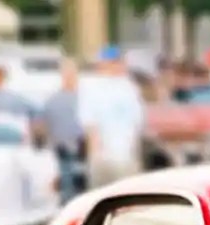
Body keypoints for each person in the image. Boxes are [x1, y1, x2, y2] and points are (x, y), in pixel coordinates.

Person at [79, 46, 145, 188]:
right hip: (104, 157)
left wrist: (134, 153)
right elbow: (90, 125)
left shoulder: (129, 88)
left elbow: (137, 124)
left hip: (125, 156)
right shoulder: (92, 88)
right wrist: (95, 156)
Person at [40, 59, 86, 203]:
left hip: (83, 148)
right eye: (67, 74)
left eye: (72, 74)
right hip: (63, 149)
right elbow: (46, 125)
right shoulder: (53, 100)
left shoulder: (85, 97)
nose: (70, 77)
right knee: (67, 187)